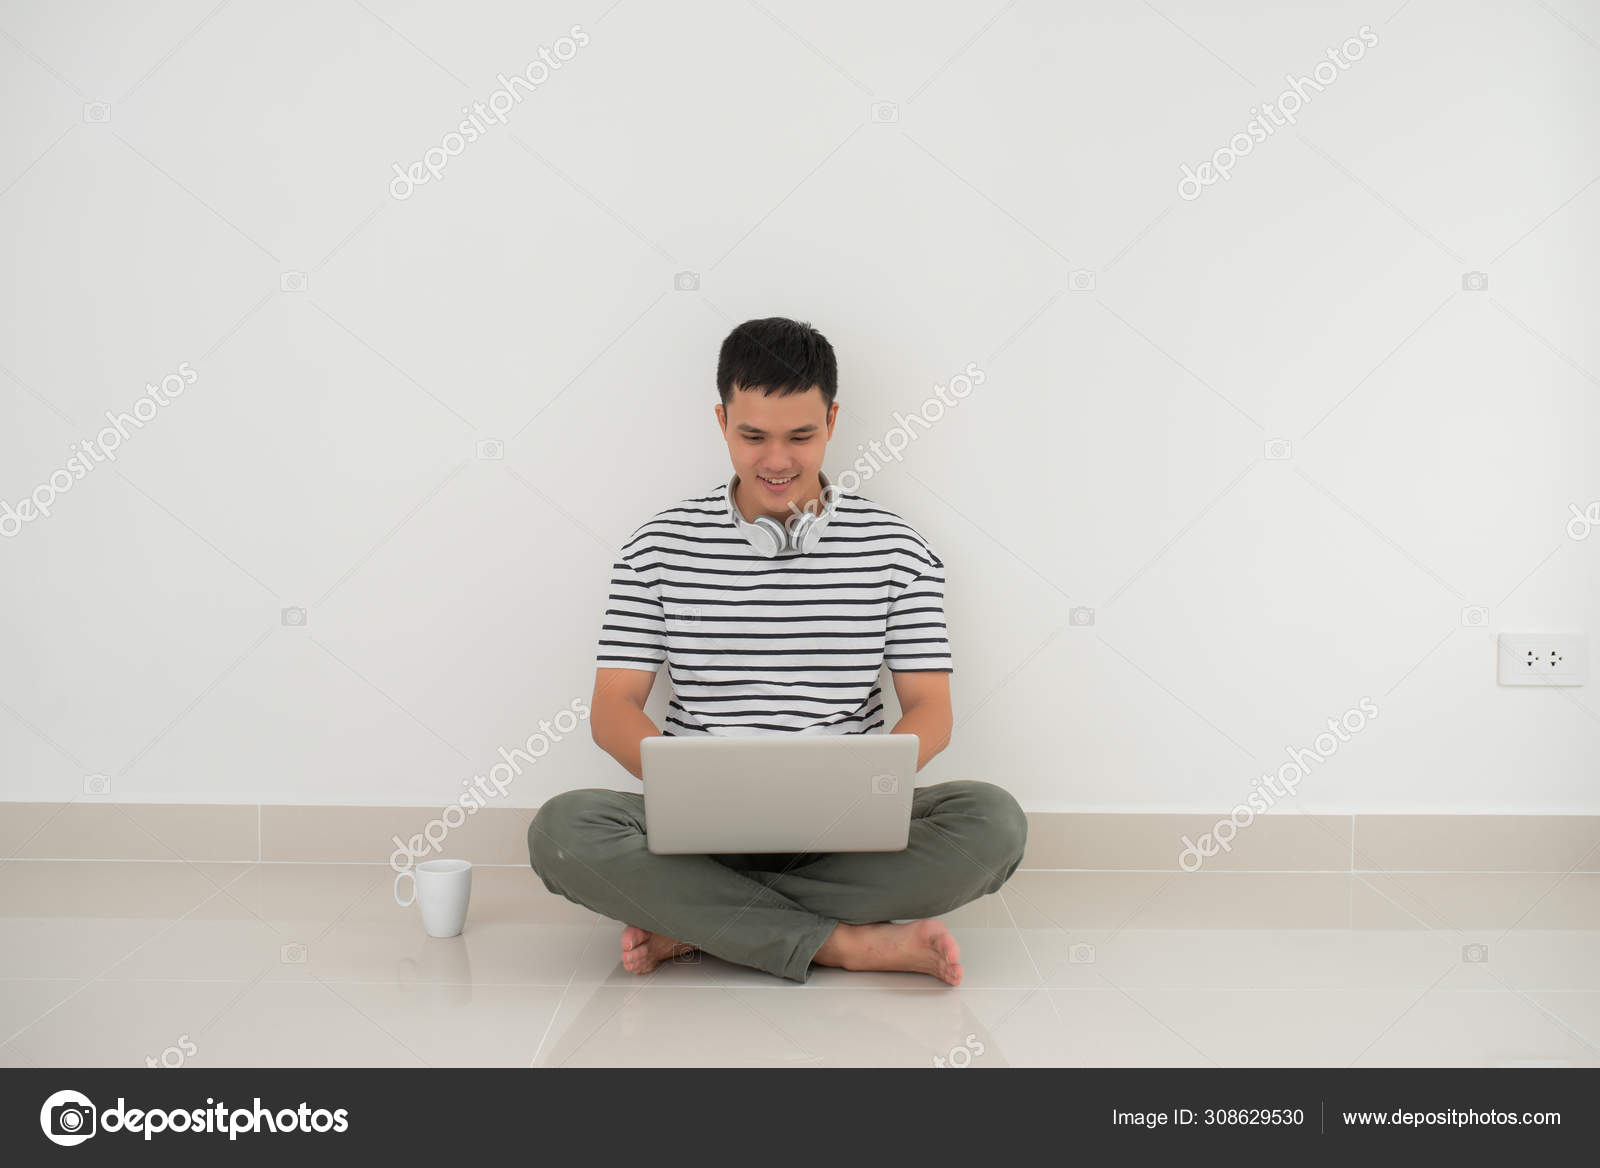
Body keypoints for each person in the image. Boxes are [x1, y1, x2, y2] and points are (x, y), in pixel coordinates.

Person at [527, 317, 1026, 985]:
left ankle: (703, 925)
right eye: (752, 435)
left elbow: (930, 707)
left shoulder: (897, 549)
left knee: (993, 824)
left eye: (801, 435)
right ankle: (845, 944)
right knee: (563, 831)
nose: (777, 462)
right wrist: (689, 785)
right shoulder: (656, 548)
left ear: (833, 420)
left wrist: (865, 784)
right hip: (702, 835)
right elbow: (613, 707)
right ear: (721, 421)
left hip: (844, 832)